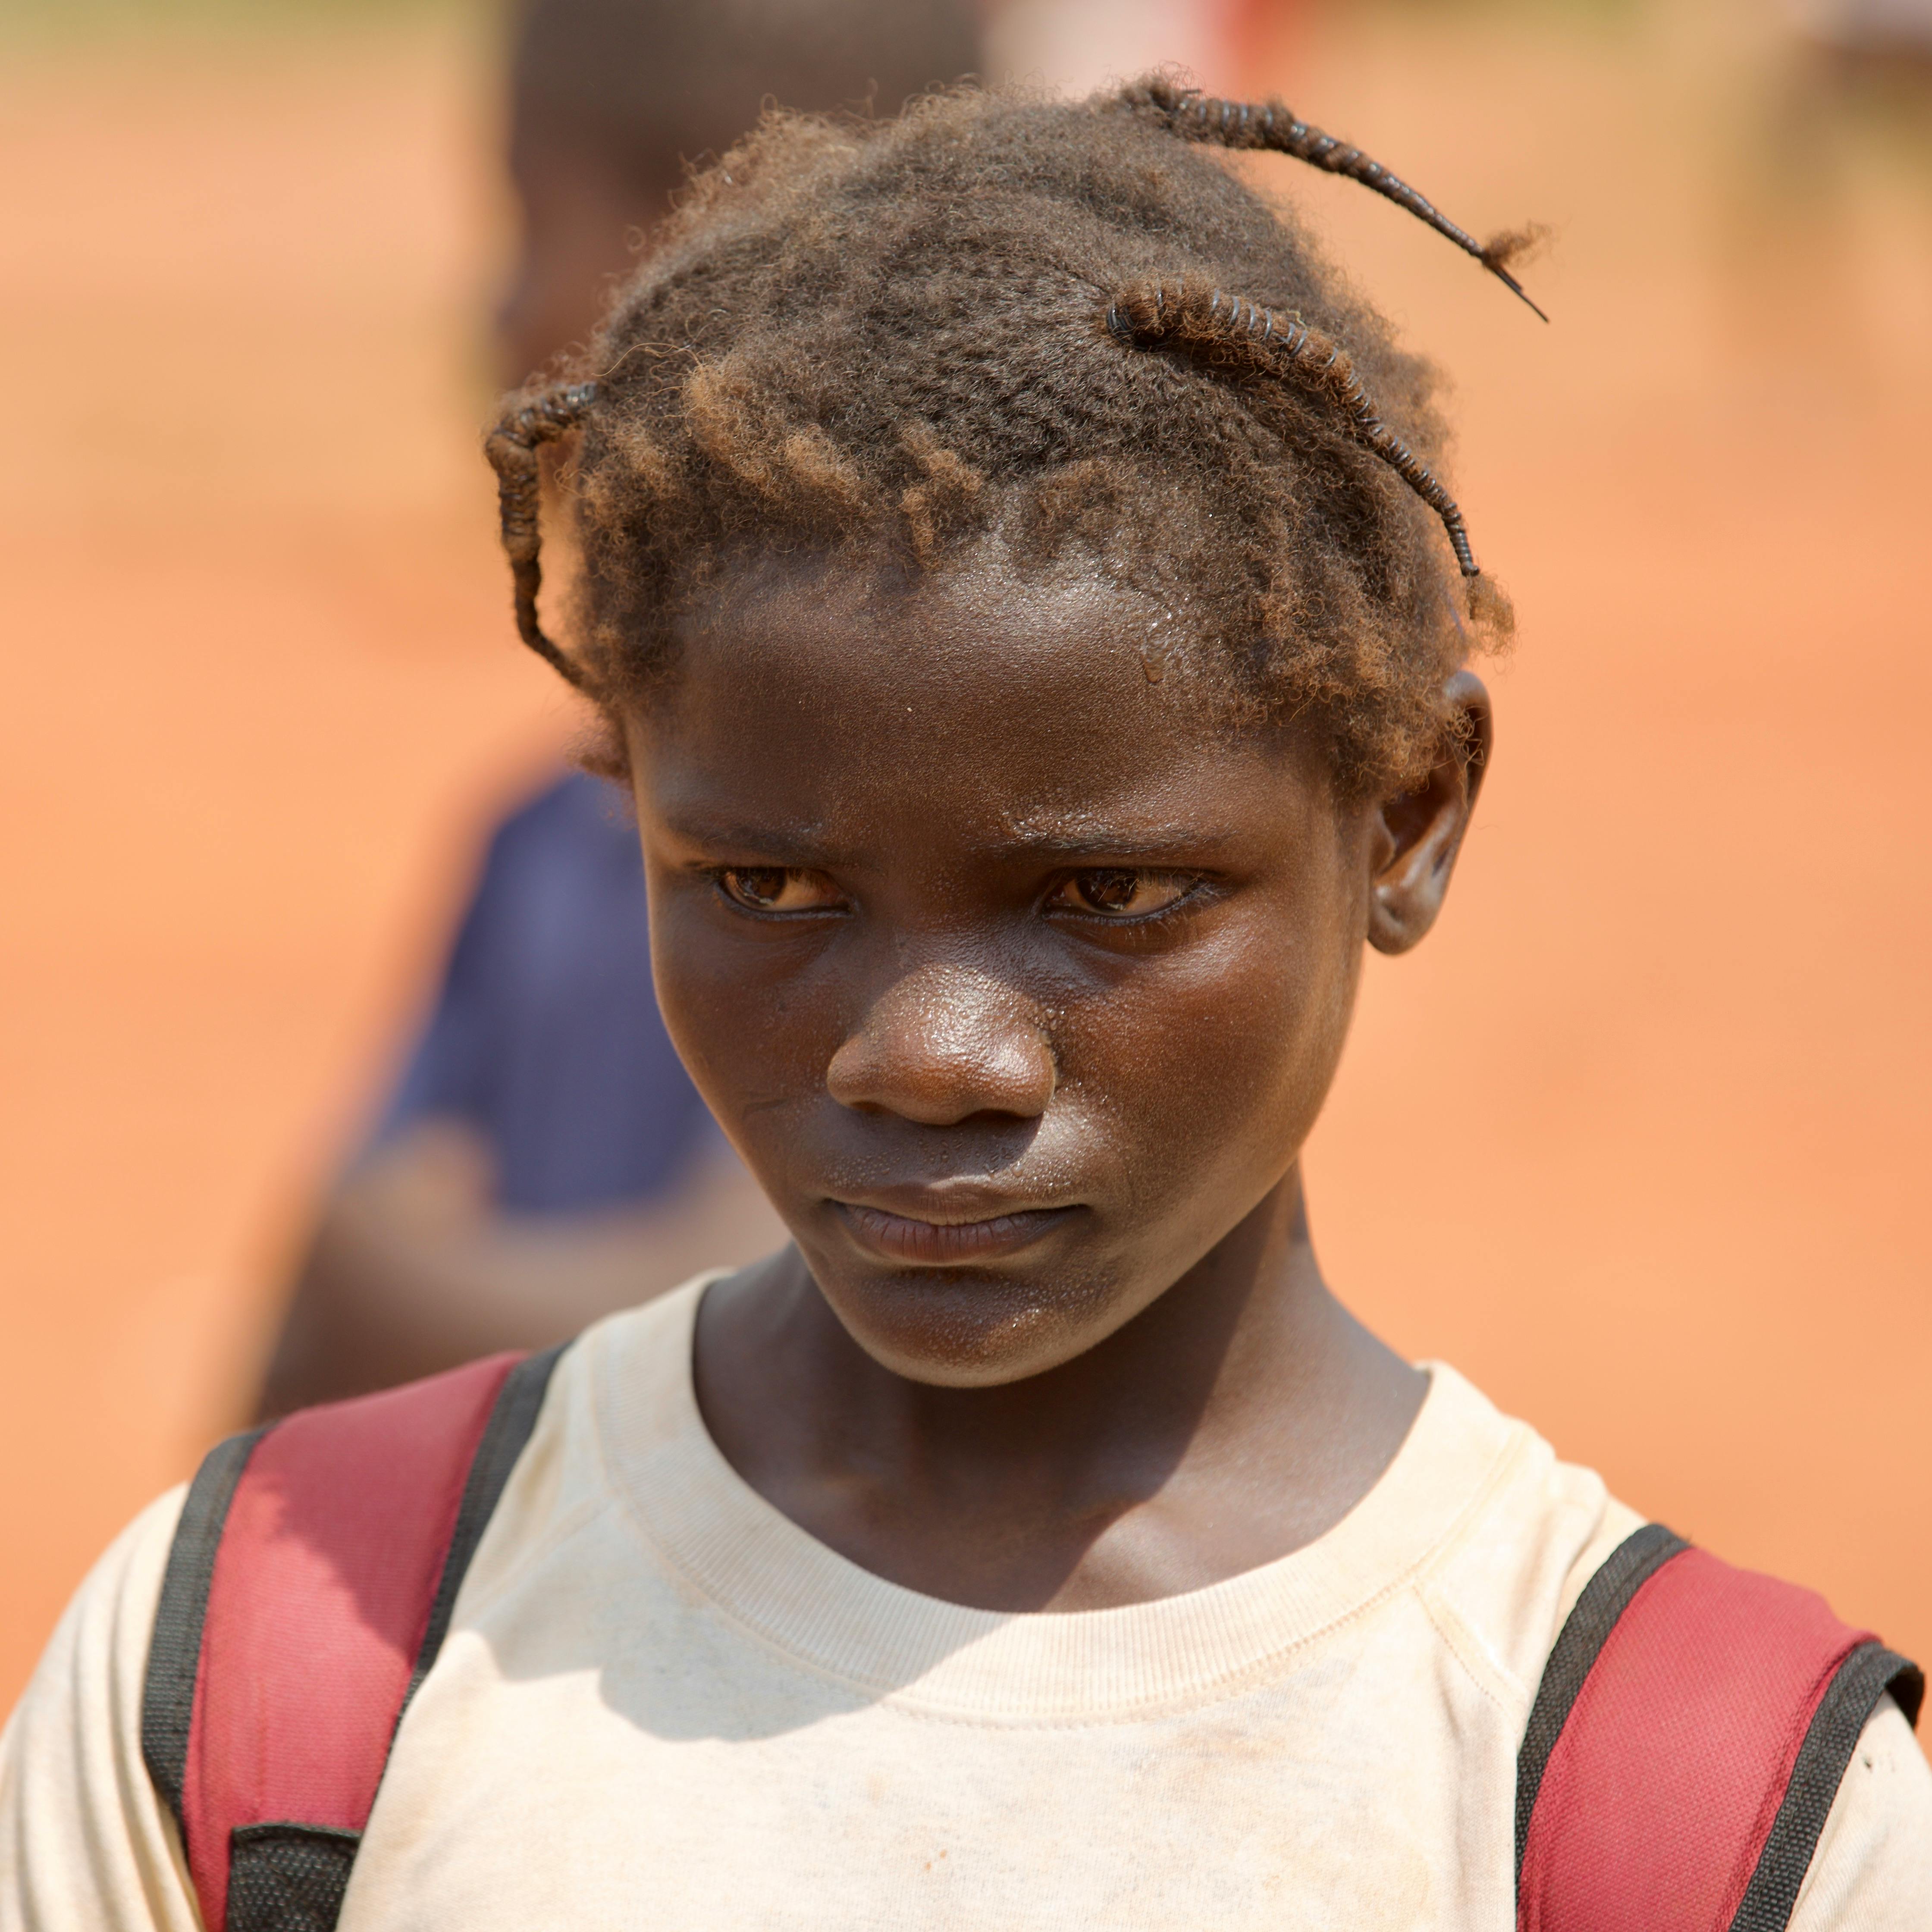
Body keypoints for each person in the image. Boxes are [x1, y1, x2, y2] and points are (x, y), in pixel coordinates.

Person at [7, 78, 1929, 1928]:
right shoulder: (281, 1680)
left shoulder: (1687, 1803)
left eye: (1104, 897)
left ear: (1408, 818)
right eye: (765, 887)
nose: (926, 1060)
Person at [258, 0, 982, 1415]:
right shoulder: (545, 836)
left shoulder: (925, 854)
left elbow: (791, 1302)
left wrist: (367, 1272)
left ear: (699, 259)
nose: (497, 308)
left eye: (531, 224)